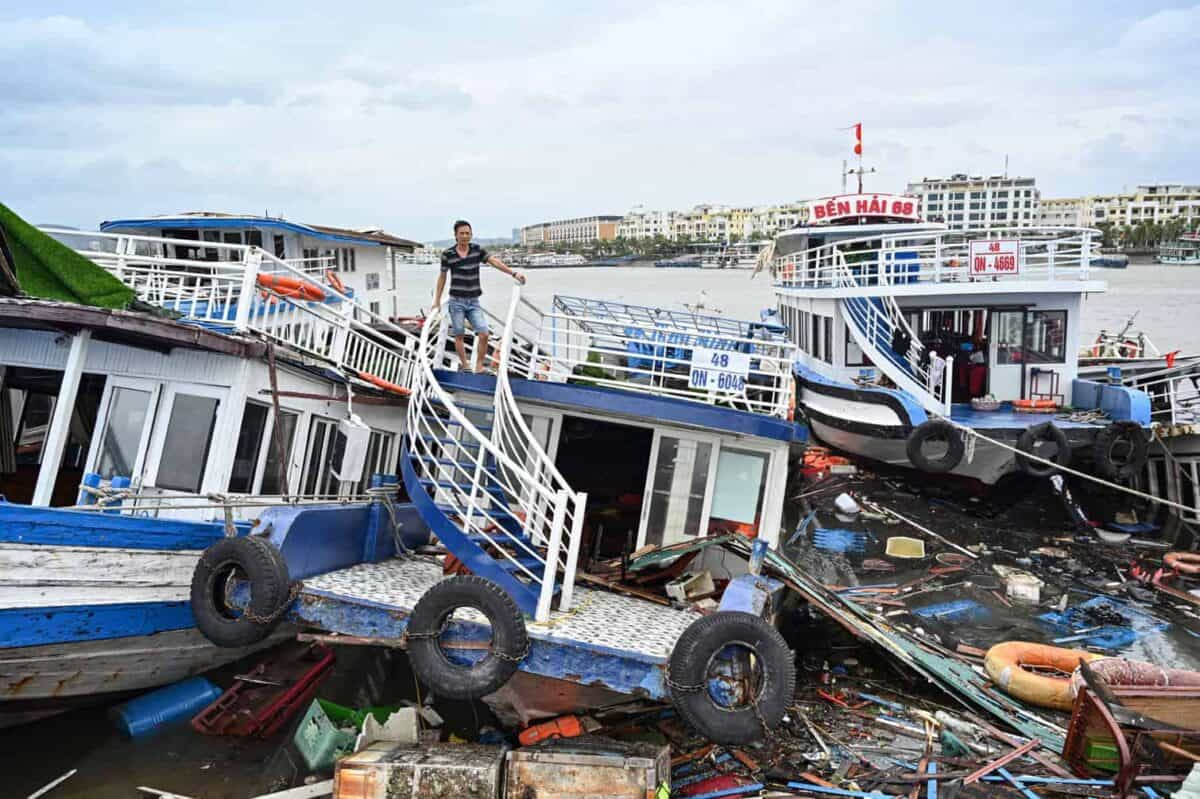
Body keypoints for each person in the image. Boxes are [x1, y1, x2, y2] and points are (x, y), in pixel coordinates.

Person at [434, 220, 525, 373]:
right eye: (461, 233)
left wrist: (513, 273)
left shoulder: (476, 250)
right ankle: (465, 365)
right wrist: (436, 300)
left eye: (467, 233)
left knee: (484, 333)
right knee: (459, 335)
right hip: (456, 301)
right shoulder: (447, 254)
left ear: (471, 234)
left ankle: (479, 366)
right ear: (455, 235)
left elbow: (494, 262)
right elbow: (442, 277)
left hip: (473, 301)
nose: (464, 236)